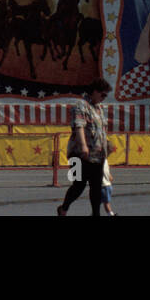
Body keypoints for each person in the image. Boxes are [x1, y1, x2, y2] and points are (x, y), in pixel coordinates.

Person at [57, 78, 112, 216]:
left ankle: (95, 214)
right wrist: (83, 146)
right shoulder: (80, 105)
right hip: (78, 154)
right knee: (78, 185)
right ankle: (63, 208)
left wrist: (108, 143)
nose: (104, 98)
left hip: (97, 155)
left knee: (96, 188)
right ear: (94, 91)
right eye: (103, 95)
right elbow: (79, 126)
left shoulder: (99, 108)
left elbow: (101, 130)